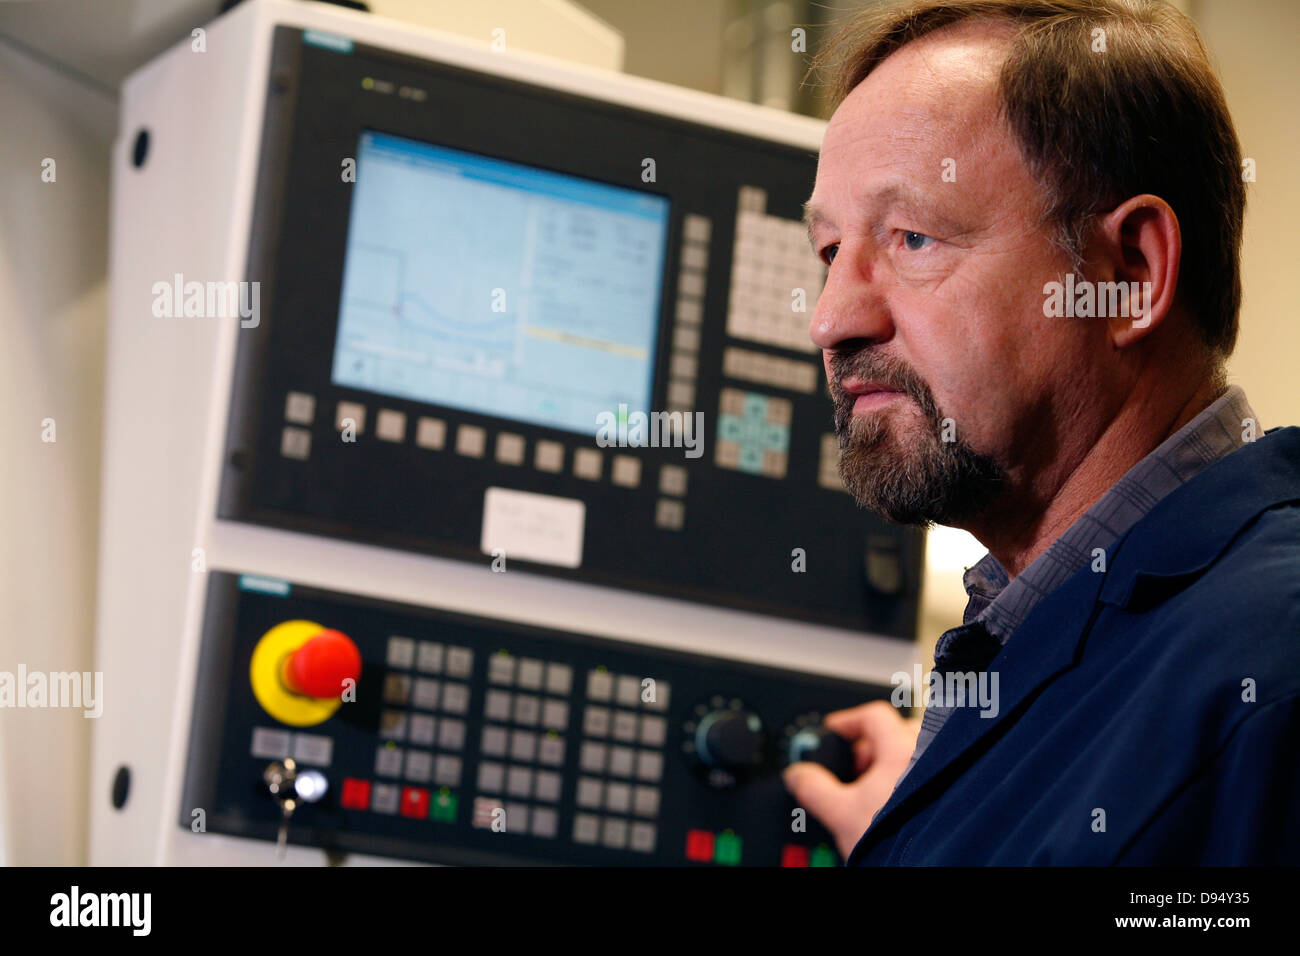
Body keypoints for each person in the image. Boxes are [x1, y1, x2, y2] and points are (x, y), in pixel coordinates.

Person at [783, 0, 1300, 864]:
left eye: (912, 238)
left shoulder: (1269, 682)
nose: (832, 320)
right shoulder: (1054, 633)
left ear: (1129, 275)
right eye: (832, 252)